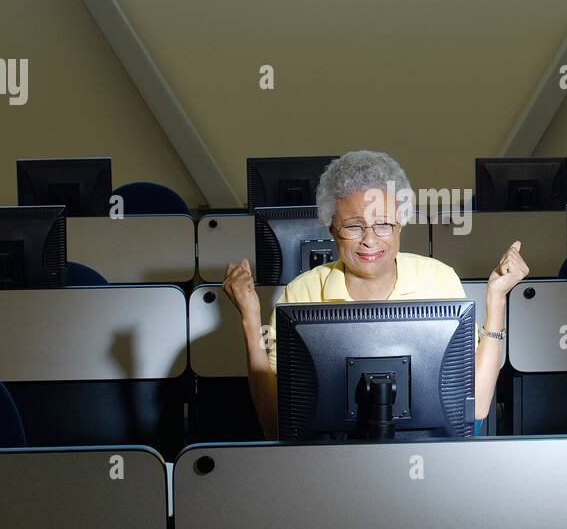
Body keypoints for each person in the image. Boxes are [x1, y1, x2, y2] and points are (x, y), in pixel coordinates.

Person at [222, 149, 528, 440]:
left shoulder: (438, 279)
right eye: (353, 226)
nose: (370, 240)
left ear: (401, 225)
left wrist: (497, 298)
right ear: (331, 229)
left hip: (427, 460)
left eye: (383, 224)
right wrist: (250, 319)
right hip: (331, 463)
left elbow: (475, 407)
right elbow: (276, 426)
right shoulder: (302, 292)